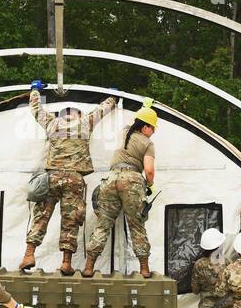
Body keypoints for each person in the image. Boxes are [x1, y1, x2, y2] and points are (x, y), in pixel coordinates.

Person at [20, 80, 118, 276]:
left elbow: (35, 108)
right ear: (77, 115)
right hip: (74, 179)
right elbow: (103, 109)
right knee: (70, 221)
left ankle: (29, 254)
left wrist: (34, 90)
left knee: (41, 216)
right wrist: (112, 97)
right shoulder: (84, 123)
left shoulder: (52, 122)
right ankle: (66, 262)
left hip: (52, 177)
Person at [83, 99, 158, 278]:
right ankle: (144, 269)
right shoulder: (148, 144)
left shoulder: (126, 132)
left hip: (110, 179)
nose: (154, 132)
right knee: (136, 225)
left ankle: (88, 266)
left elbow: (136, 119)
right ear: (146, 127)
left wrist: (145, 108)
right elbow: (149, 170)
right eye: (153, 128)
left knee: (103, 224)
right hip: (131, 180)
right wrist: (149, 184)